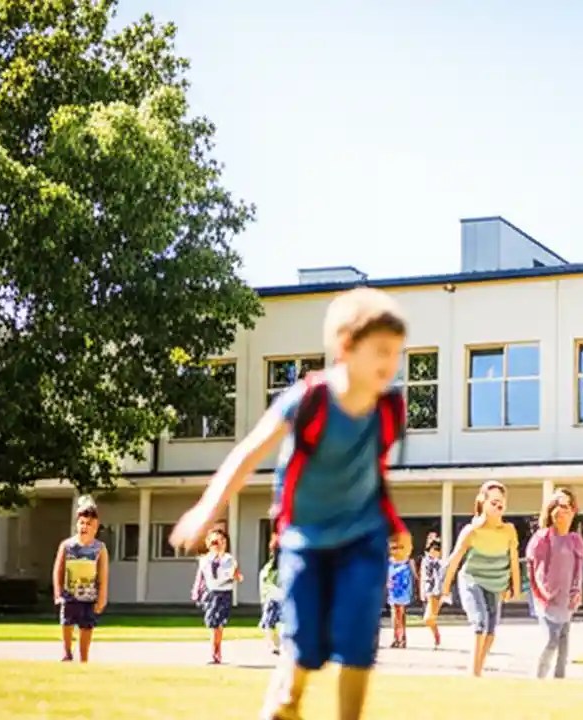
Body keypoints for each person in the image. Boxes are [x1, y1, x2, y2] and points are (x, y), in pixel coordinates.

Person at [169, 288, 413, 720]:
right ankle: (285, 703)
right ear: (345, 347)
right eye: (380, 351)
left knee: (358, 643)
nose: (390, 364)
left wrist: (394, 525)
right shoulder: (309, 399)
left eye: (396, 354)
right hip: (305, 538)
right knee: (304, 642)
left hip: (362, 538)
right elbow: (248, 453)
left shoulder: (389, 406)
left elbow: (374, 472)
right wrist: (207, 510)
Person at [441, 480, 522, 677]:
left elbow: (513, 560)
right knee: (480, 623)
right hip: (472, 580)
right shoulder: (471, 530)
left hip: (496, 583)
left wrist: (516, 588)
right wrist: (443, 589)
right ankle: (474, 673)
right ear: (482, 503)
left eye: (501, 503)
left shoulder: (509, 530)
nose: (498, 506)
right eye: (493, 502)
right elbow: (454, 560)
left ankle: (478, 669)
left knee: (492, 630)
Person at [526, 487, 583, 679]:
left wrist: (576, 591)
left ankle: (559, 680)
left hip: (566, 599)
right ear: (552, 510)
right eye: (562, 506)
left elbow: (578, 569)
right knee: (550, 640)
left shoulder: (575, 540)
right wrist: (543, 594)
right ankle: (539, 678)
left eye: (570, 506)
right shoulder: (542, 538)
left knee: (563, 643)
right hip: (546, 599)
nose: (567, 510)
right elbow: (533, 569)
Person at [51, 497, 108, 663]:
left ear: (95, 527)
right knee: (67, 623)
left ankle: (84, 658)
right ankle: (67, 653)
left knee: (86, 627)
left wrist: (102, 598)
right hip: (69, 594)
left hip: (89, 596)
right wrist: (57, 593)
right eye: (82, 523)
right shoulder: (67, 546)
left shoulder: (99, 549)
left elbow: (103, 575)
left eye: (89, 524)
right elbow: (58, 570)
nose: (85, 527)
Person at [192, 526, 242, 665]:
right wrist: (196, 590)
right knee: (212, 623)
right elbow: (200, 576)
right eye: (213, 542)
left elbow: (234, 575)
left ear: (224, 543)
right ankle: (215, 651)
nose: (216, 544)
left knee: (217, 624)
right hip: (210, 593)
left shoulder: (228, 559)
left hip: (224, 593)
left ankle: (215, 652)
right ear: (208, 543)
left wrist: (236, 575)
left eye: (220, 541)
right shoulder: (204, 560)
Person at [387, 539, 417, 648]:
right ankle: (396, 638)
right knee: (394, 613)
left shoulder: (408, 560)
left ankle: (403, 638)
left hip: (404, 588)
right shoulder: (389, 561)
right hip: (393, 588)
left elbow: (415, 576)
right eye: (393, 548)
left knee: (401, 613)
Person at [260, 534, 285, 655]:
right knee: (271, 623)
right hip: (273, 597)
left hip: (278, 597)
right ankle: (274, 645)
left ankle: (276, 645)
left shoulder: (278, 566)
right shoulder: (271, 566)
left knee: (274, 623)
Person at [419, 536, 446, 649]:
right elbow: (423, 577)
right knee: (429, 618)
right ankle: (436, 637)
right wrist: (422, 591)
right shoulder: (425, 561)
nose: (435, 551)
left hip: (436, 591)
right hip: (428, 589)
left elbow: (442, 578)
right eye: (433, 549)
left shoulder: (439, 563)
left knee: (429, 618)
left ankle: (437, 637)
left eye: (437, 549)